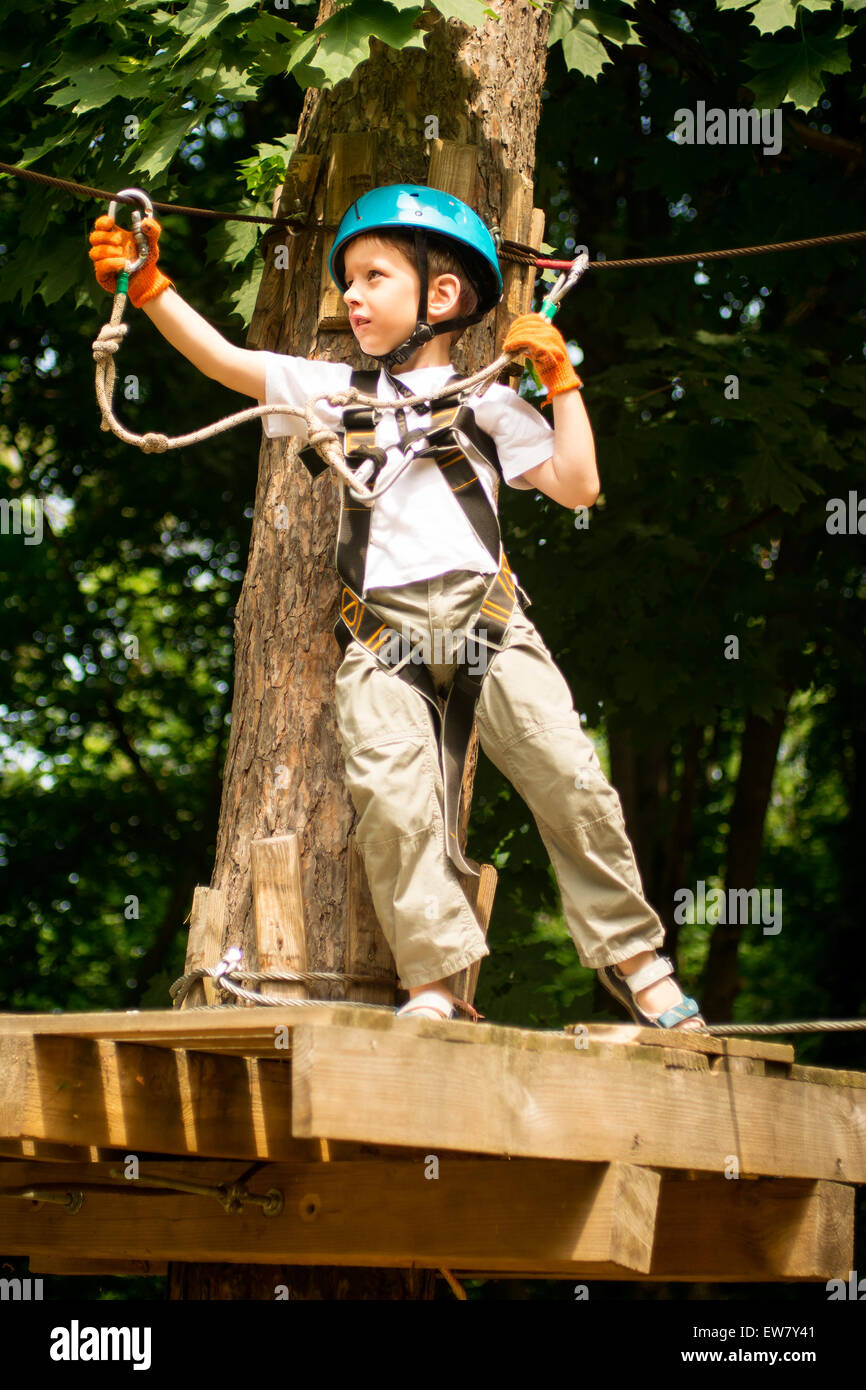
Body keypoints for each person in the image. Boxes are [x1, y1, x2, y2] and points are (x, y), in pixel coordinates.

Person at [89, 183, 706, 1032]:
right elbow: (225, 361)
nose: (353, 294)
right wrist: (152, 286)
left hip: (486, 621)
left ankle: (640, 966)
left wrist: (562, 382)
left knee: (568, 777)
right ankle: (434, 984)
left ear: (441, 295)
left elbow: (579, 484)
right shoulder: (333, 391)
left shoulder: (490, 399)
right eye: (349, 278)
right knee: (397, 806)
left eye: (375, 276)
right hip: (382, 639)